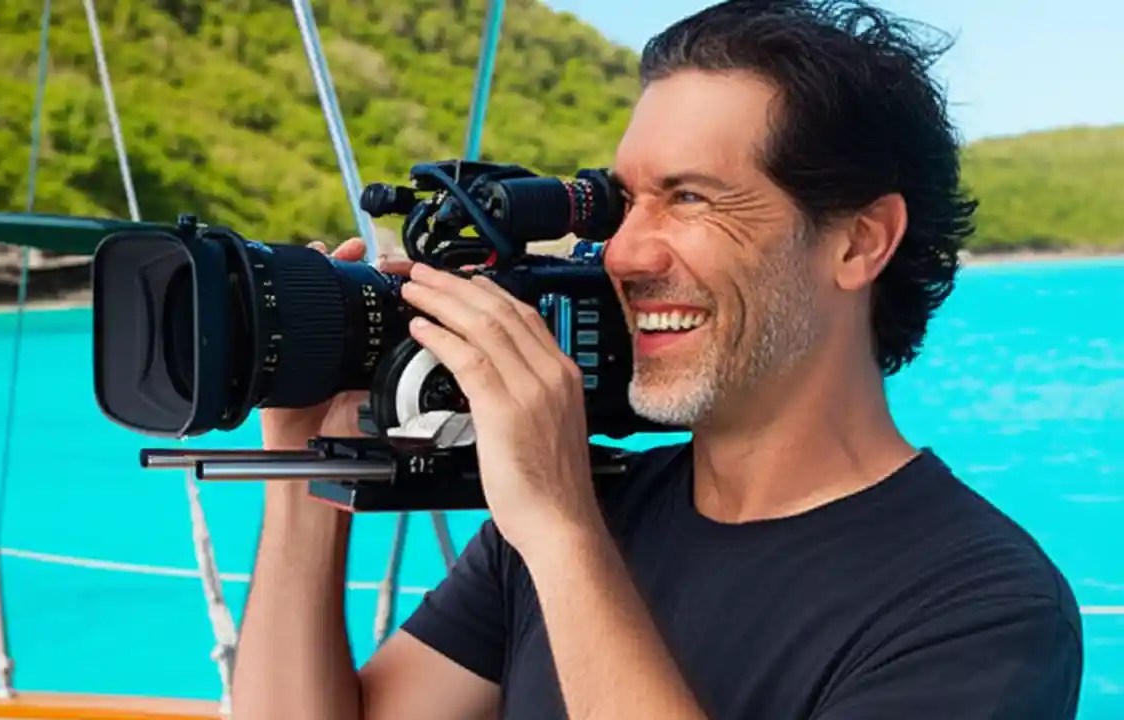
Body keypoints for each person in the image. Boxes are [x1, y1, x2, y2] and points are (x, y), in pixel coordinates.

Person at [231, 0, 1084, 717]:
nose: (624, 253)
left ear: (859, 242)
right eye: (626, 202)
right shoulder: (580, 509)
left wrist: (562, 532)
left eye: (690, 199)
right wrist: (307, 460)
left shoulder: (980, 607)